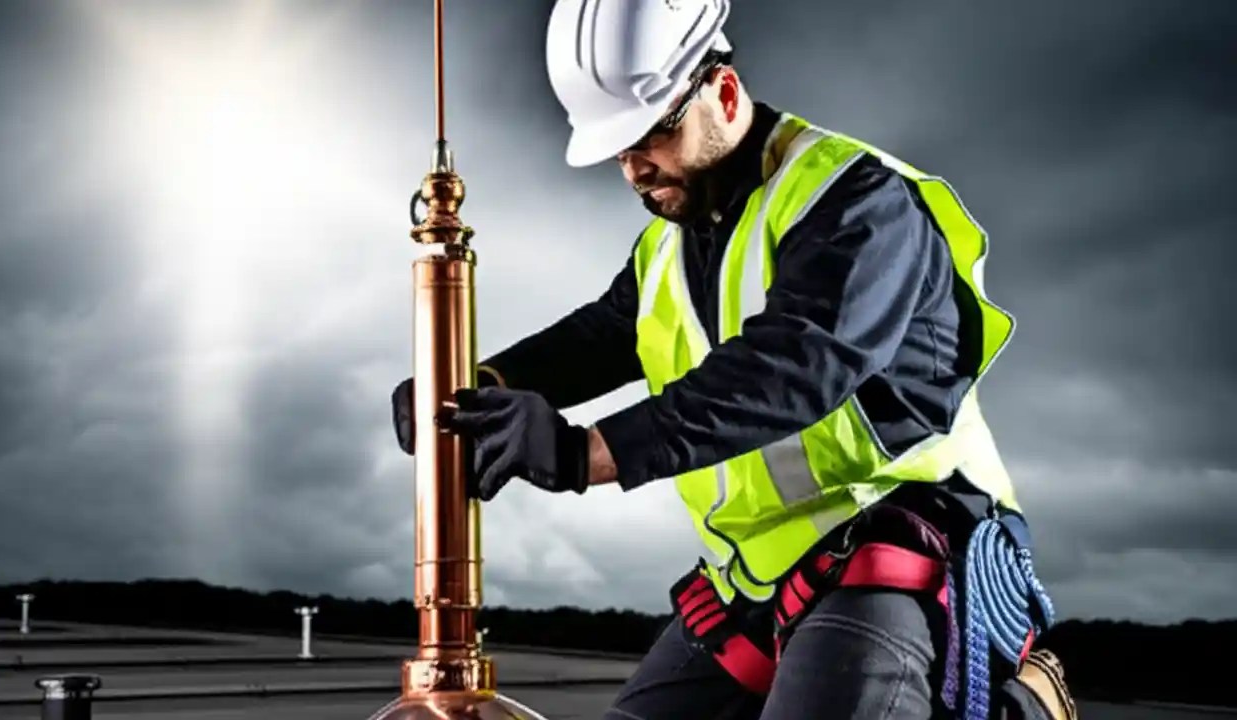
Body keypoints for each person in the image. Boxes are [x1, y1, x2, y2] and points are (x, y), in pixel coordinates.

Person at [392, 1, 1076, 718]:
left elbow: (798, 360)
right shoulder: (669, 243)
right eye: (616, 152)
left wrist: (584, 453)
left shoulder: (857, 200)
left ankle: (1024, 708)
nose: (633, 169)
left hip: (893, 541)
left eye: (650, 134)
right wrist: (474, 385)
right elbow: (605, 335)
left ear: (721, 93)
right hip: (748, 579)